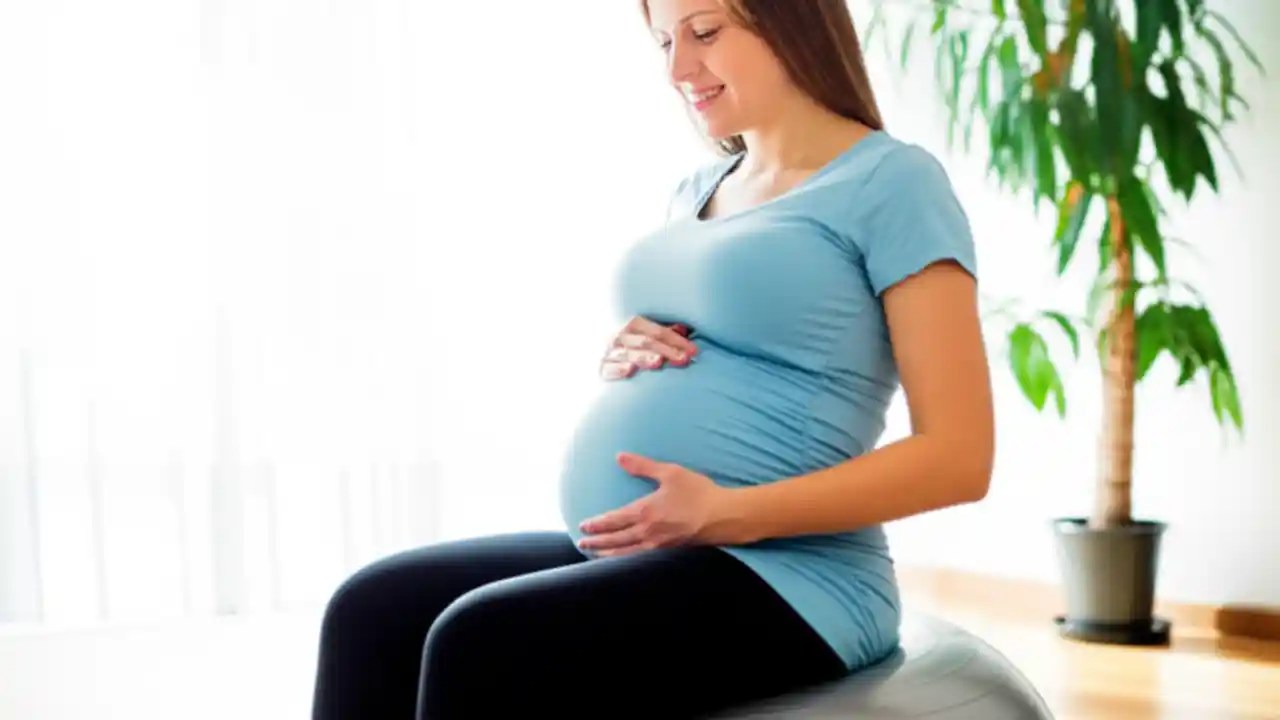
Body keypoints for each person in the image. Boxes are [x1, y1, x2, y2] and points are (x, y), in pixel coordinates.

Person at [309, 0, 994, 717]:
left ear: (794, 20)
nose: (677, 68)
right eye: (663, 41)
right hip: (653, 548)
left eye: (704, 33)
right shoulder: (701, 188)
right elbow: (742, 341)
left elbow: (959, 456)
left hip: (792, 574)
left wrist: (726, 513)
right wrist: (631, 350)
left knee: (478, 640)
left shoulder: (892, 183)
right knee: (374, 608)